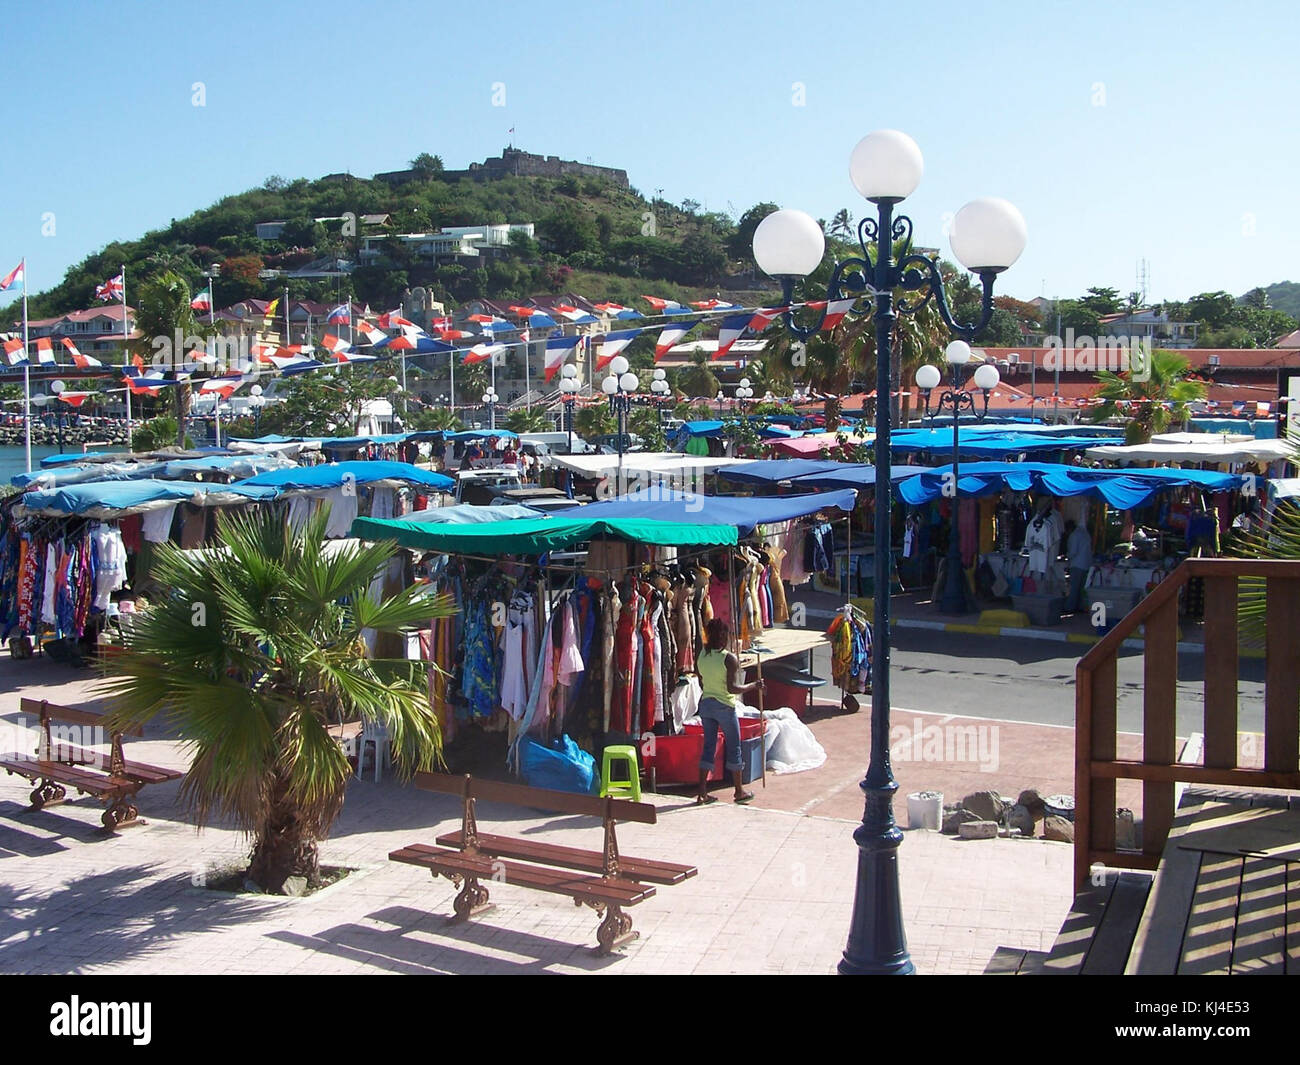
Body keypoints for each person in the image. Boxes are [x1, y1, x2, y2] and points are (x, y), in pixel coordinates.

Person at [694, 617, 762, 805]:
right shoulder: (728, 658)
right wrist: (753, 685)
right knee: (734, 747)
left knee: (708, 747)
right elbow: (733, 688)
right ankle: (739, 791)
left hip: (706, 704)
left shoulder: (702, 655)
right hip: (725, 706)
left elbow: (701, 681)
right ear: (722, 636)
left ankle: (702, 792)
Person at [1063, 518, 1093, 614]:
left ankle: (1070, 607)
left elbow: (1073, 552)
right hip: (1086, 563)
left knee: (1074, 587)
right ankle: (1080, 606)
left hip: (1077, 564)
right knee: (1081, 588)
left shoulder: (1074, 535)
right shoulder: (1085, 533)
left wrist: (1066, 556)